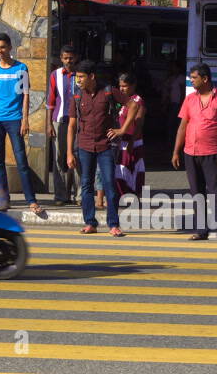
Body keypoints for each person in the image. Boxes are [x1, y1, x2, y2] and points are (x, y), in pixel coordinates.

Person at [66, 60, 137, 236]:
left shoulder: (108, 91)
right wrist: (69, 152)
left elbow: (134, 105)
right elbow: (72, 126)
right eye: (77, 77)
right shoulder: (76, 96)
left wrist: (122, 129)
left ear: (92, 76)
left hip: (106, 146)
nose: (79, 80)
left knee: (109, 185)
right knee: (86, 185)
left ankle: (113, 224)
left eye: (82, 77)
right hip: (84, 146)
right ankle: (90, 222)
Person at [171, 63, 217, 244]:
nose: (191, 80)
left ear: (205, 79)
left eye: (194, 78)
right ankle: (201, 230)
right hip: (190, 153)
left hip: (212, 153)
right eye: (191, 77)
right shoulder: (190, 99)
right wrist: (176, 151)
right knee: (196, 193)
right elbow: (182, 126)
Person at [0, 33, 43, 215]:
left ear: (10, 47)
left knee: (21, 160)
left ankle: (31, 200)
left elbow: (26, 94)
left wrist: (25, 119)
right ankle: (3, 199)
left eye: (3, 47)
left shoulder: (21, 68)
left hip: (14, 119)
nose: (0, 51)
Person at [48, 44, 79, 205]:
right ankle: (60, 195)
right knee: (59, 158)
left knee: (77, 157)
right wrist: (48, 124)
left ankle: (79, 195)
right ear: (61, 59)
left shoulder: (81, 75)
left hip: (79, 122)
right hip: (59, 121)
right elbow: (50, 101)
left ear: (76, 58)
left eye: (71, 58)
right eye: (65, 58)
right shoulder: (55, 75)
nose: (68, 61)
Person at [110, 72, 146, 198]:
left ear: (133, 86)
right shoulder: (122, 101)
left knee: (133, 170)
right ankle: (122, 196)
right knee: (121, 170)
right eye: (120, 86)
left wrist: (131, 142)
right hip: (122, 141)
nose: (121, 89)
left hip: (133, 142)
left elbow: (139, 123)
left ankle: (134, 196)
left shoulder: (137, 101)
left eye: (125, 86)